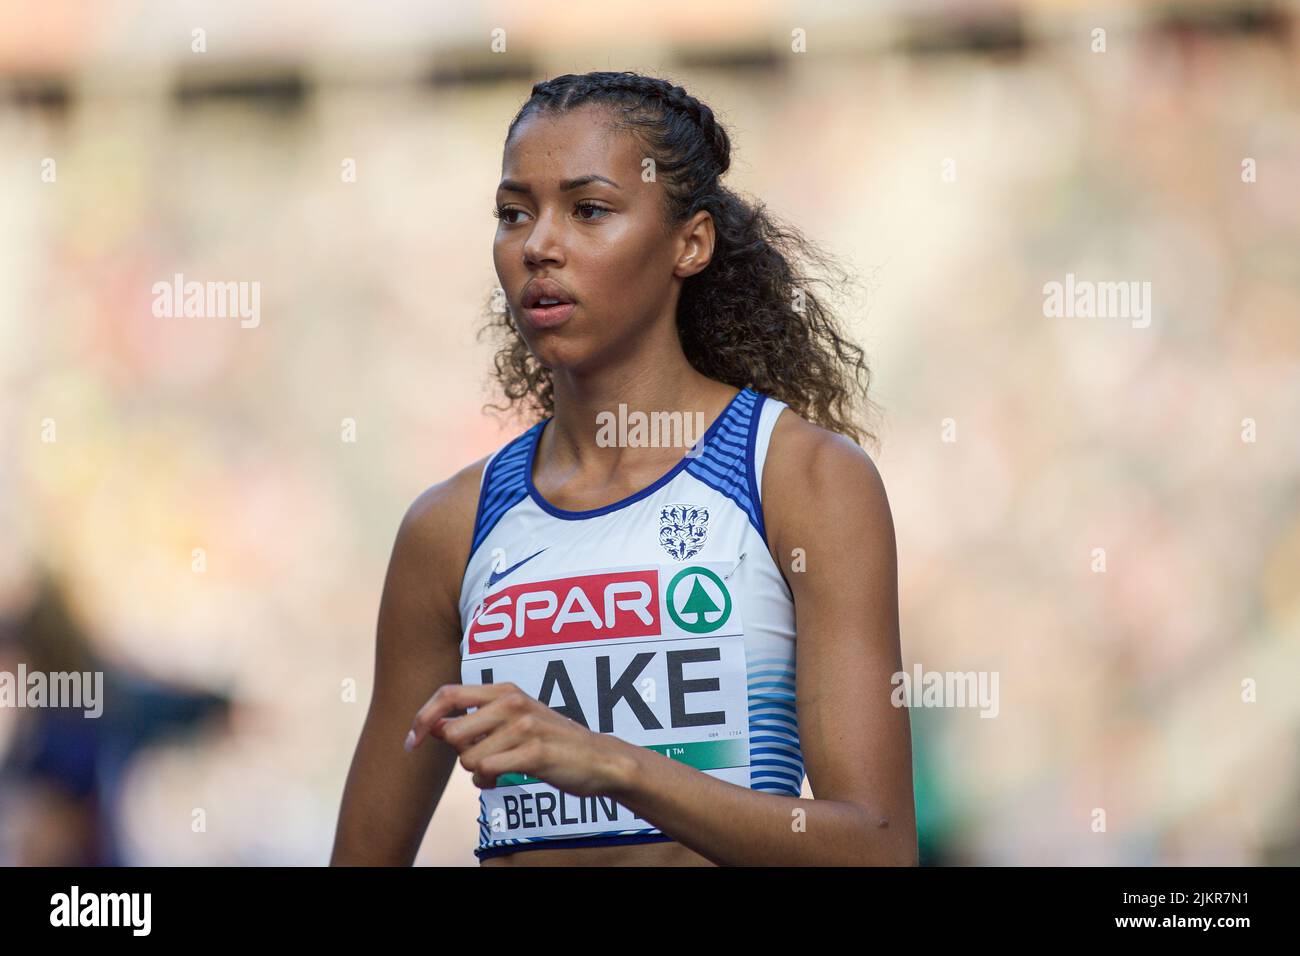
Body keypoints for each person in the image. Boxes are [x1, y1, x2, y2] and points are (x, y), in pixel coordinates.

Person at [331, 70, 916, 866]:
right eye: (513, 213)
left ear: (690, 243)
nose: (538, 244)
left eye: (590, 210)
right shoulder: (448, 528)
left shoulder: (801, 480)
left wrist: (611, 764)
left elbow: (876, 849)